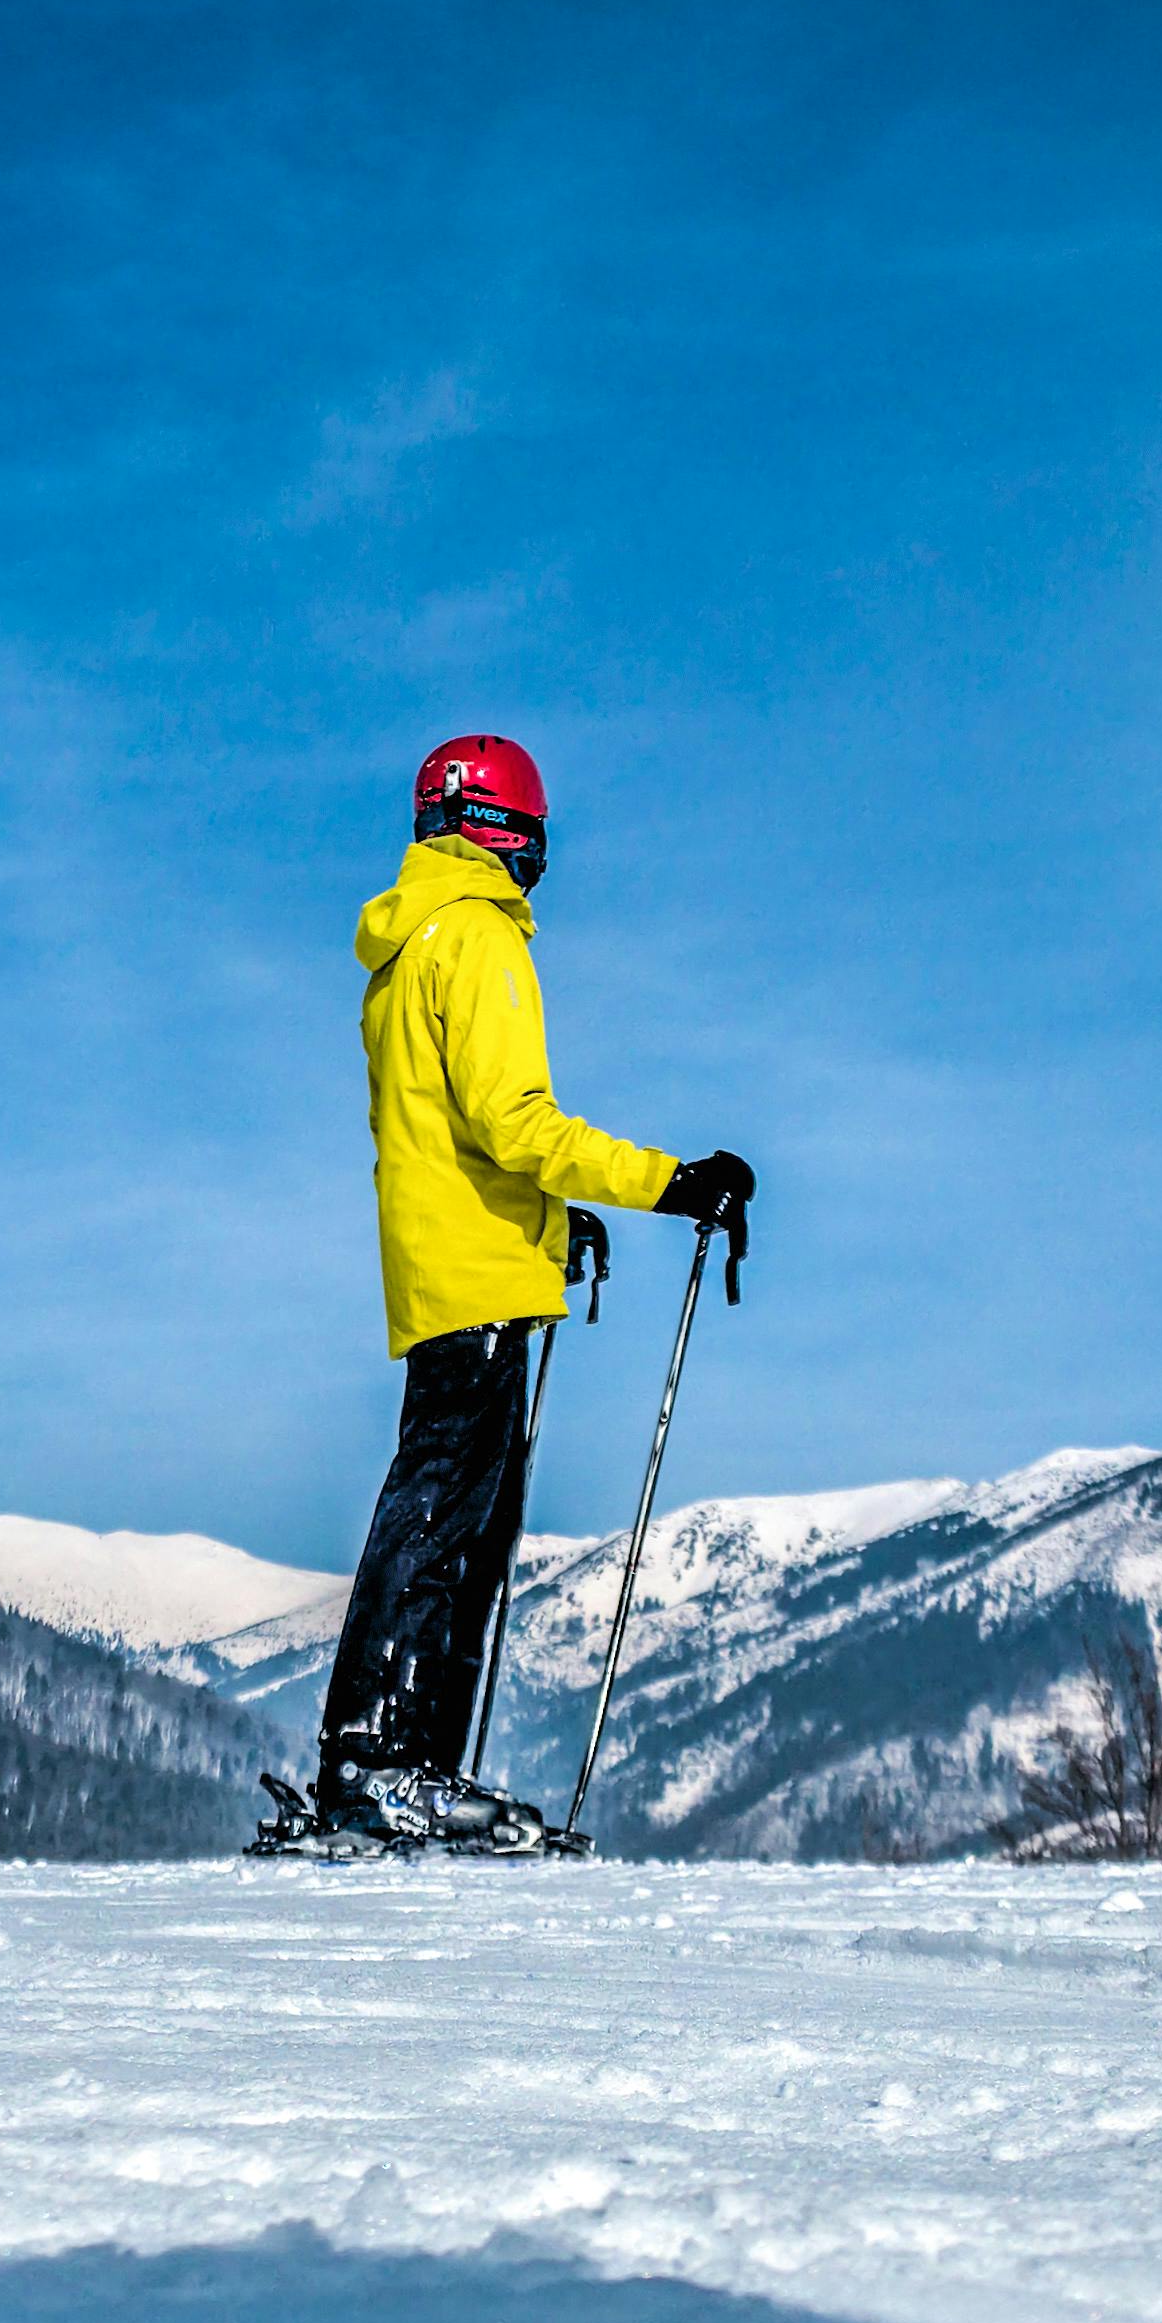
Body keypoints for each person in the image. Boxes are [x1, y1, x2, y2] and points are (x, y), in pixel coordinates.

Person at [313, 732, 755, 1847]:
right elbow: (514, 1124)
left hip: (439, 1262)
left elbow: (443, 1136)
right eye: (537, 846)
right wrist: (672, 1182)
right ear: (511, 834)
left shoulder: (403, 947)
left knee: (449, 1510)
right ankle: (387, 1764)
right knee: (448, 1519)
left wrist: (552, 1224)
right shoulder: (479, 938)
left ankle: (395, 1763)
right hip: (480, 1281)